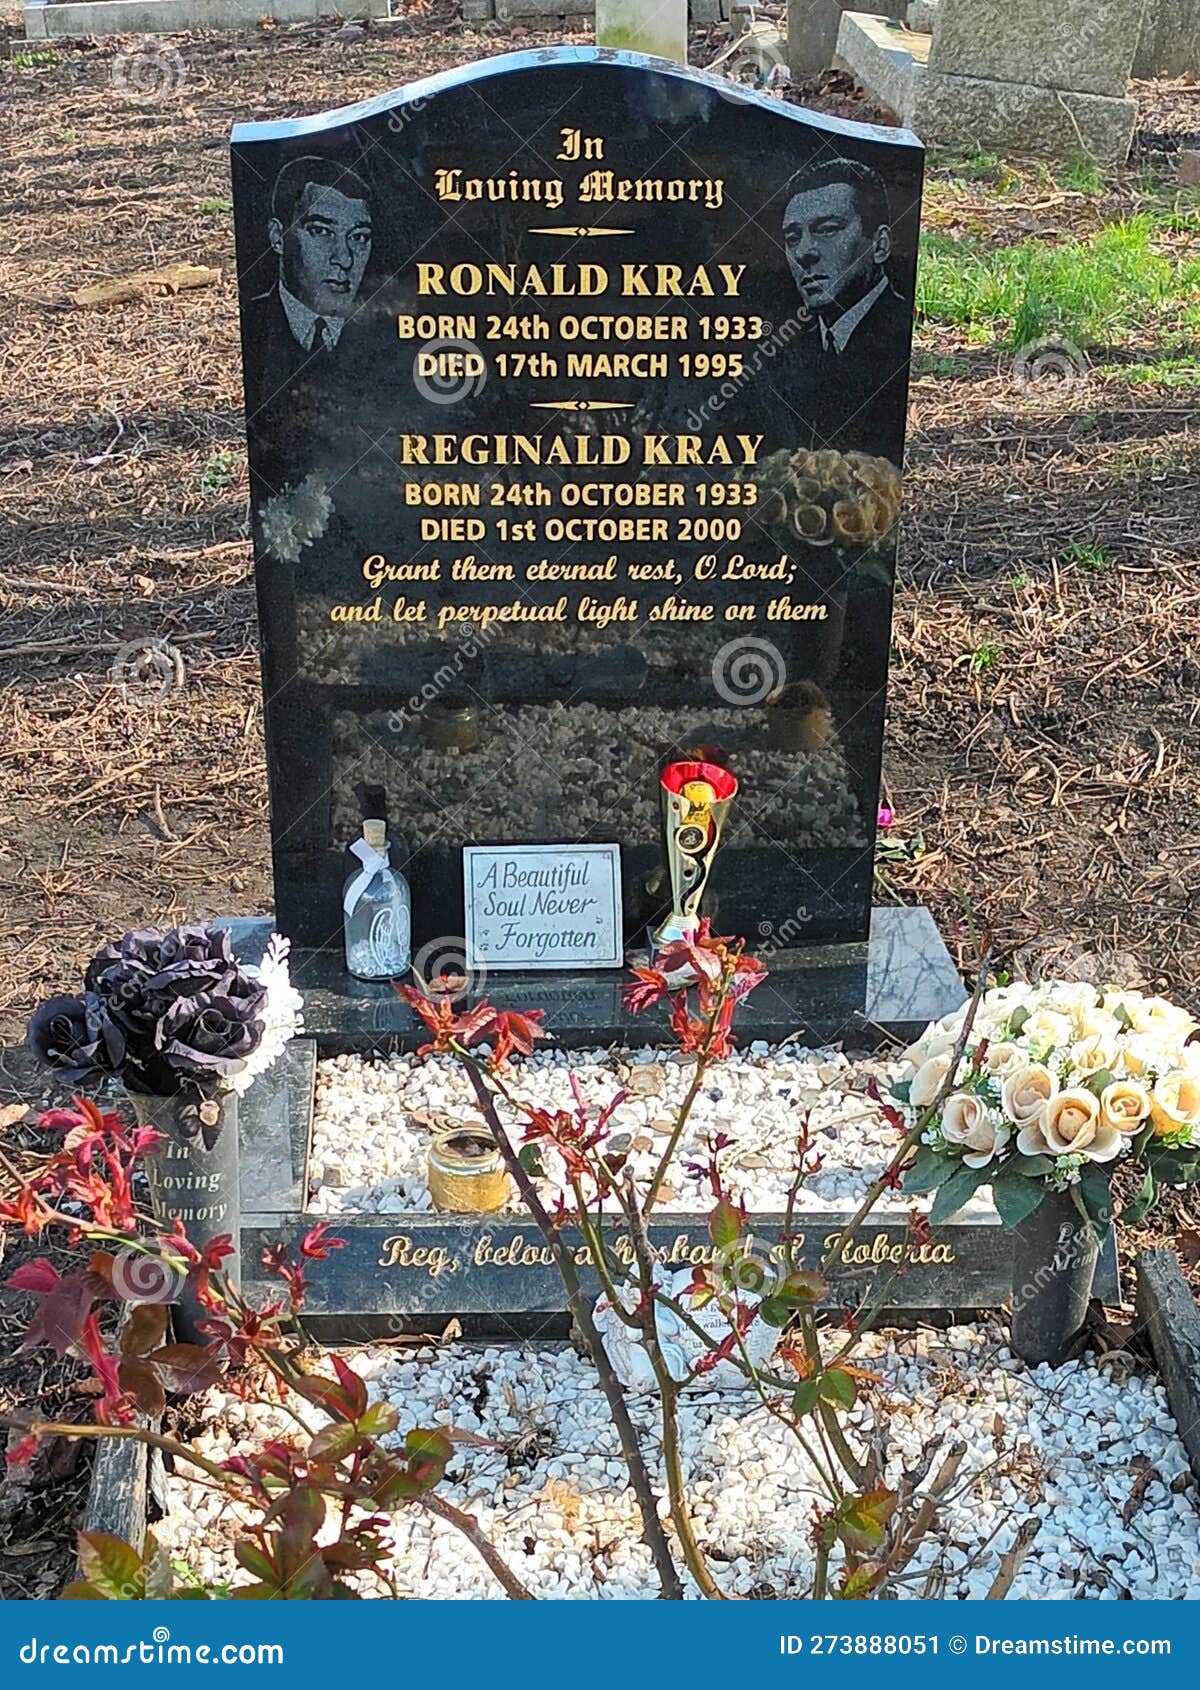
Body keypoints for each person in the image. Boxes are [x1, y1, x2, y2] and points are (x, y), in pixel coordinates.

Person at [773, 157, 911, 459]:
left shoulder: (898, 336)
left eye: (827, 229)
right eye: (793, 237)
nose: (804, 253)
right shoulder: (783, 350)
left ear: (880, 244)